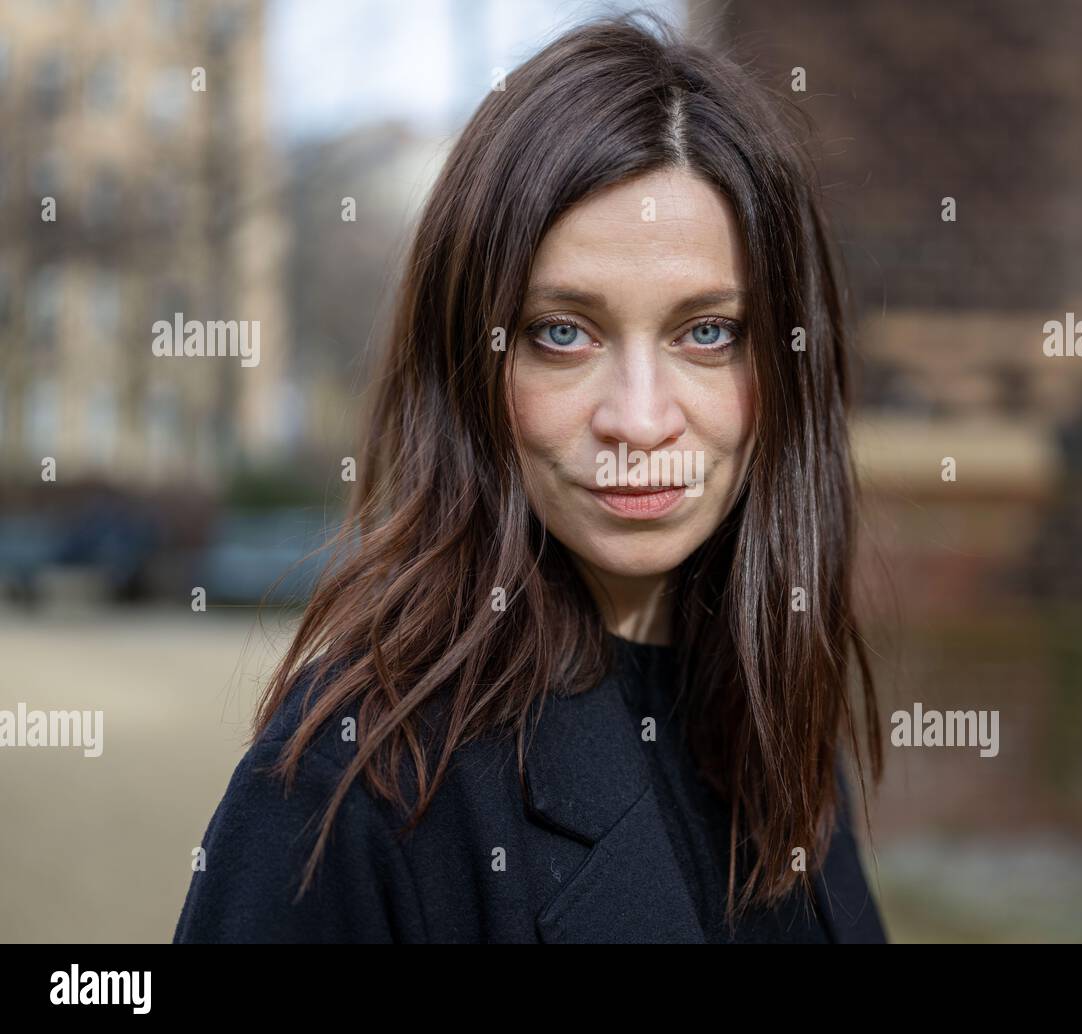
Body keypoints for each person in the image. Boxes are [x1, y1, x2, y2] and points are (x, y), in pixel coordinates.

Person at [173, 11, 887, 944]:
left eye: (706, 332)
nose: (639, 417)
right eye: (564, 332)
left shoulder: (773, 723)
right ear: (471, 366)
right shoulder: (353, 787)